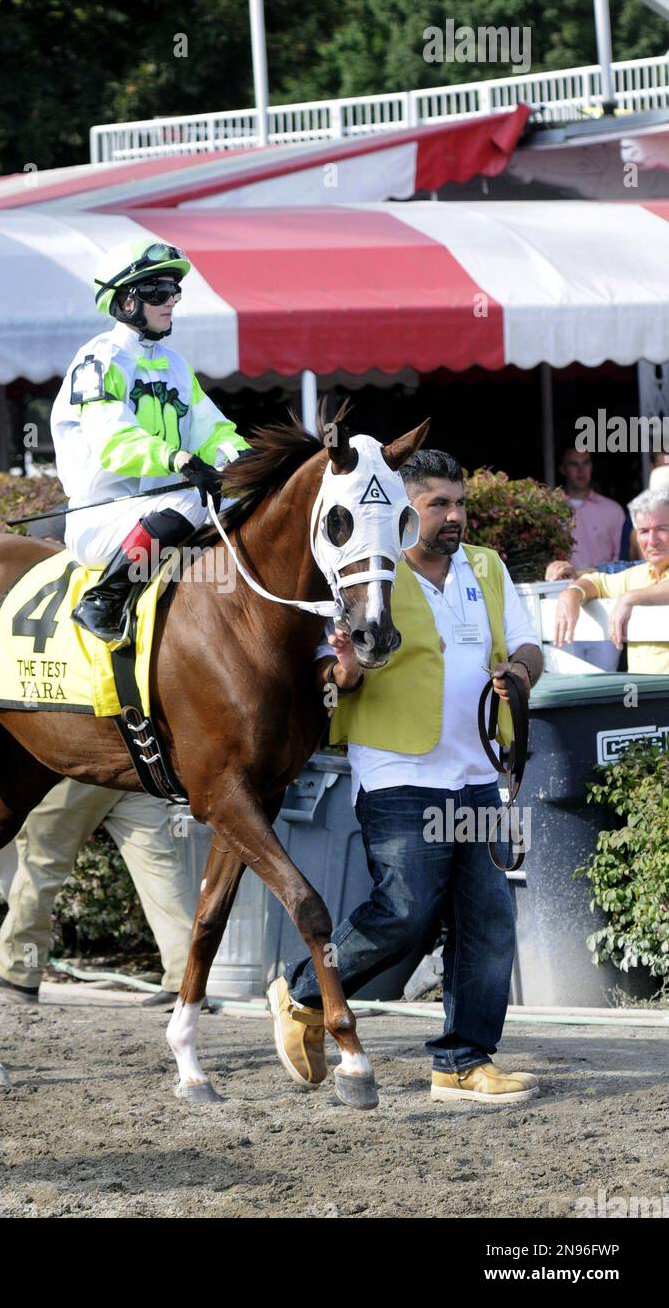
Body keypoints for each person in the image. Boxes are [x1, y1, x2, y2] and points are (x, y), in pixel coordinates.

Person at [268, 449, 545, 1106]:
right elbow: (329, 676)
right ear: (403, 512)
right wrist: (347, 669)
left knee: (488, 919)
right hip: (397, 772)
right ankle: (304, 992)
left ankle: (460, 1063)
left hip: (477, 774)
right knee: (404, 912)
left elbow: (527, 642)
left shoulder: (486, 567)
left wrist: (523, 674)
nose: (454, 516)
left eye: (460, 502)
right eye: (437, 505)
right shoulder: (368, 574)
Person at [50, 238, 249, 648]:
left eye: (173, 292)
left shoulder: (175, 364)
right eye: (157, 293)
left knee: (246, 502)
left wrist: (244, 460)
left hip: (159, 512)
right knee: (190, 501)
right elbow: (112, 441)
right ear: (125, 302)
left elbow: (211, 429)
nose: (170, 301)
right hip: (103, 517)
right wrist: (176, 459)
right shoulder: (99, 361)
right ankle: (102, 600)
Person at [0, 779, 195, 1007]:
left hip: (85, 767)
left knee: (40, 863)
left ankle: (19, 970)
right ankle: (187, 978)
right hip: (134, 768)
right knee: (157, 868)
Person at [553, 488, 669, 674]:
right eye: (644, 531)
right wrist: (573, 592)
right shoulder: (637, 574)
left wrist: (630, 598)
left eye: (662, 529)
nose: (652, 540)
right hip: (644, 698)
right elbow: (597, 582)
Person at [545, 446, 625, 577]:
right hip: (564, 586)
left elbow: (622, 557)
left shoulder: (613, 510)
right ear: (562, 469)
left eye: (586, 463)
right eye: (573, 464)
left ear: (592, 466)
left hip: (607, 587)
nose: (581, 470)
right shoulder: (551, 511)